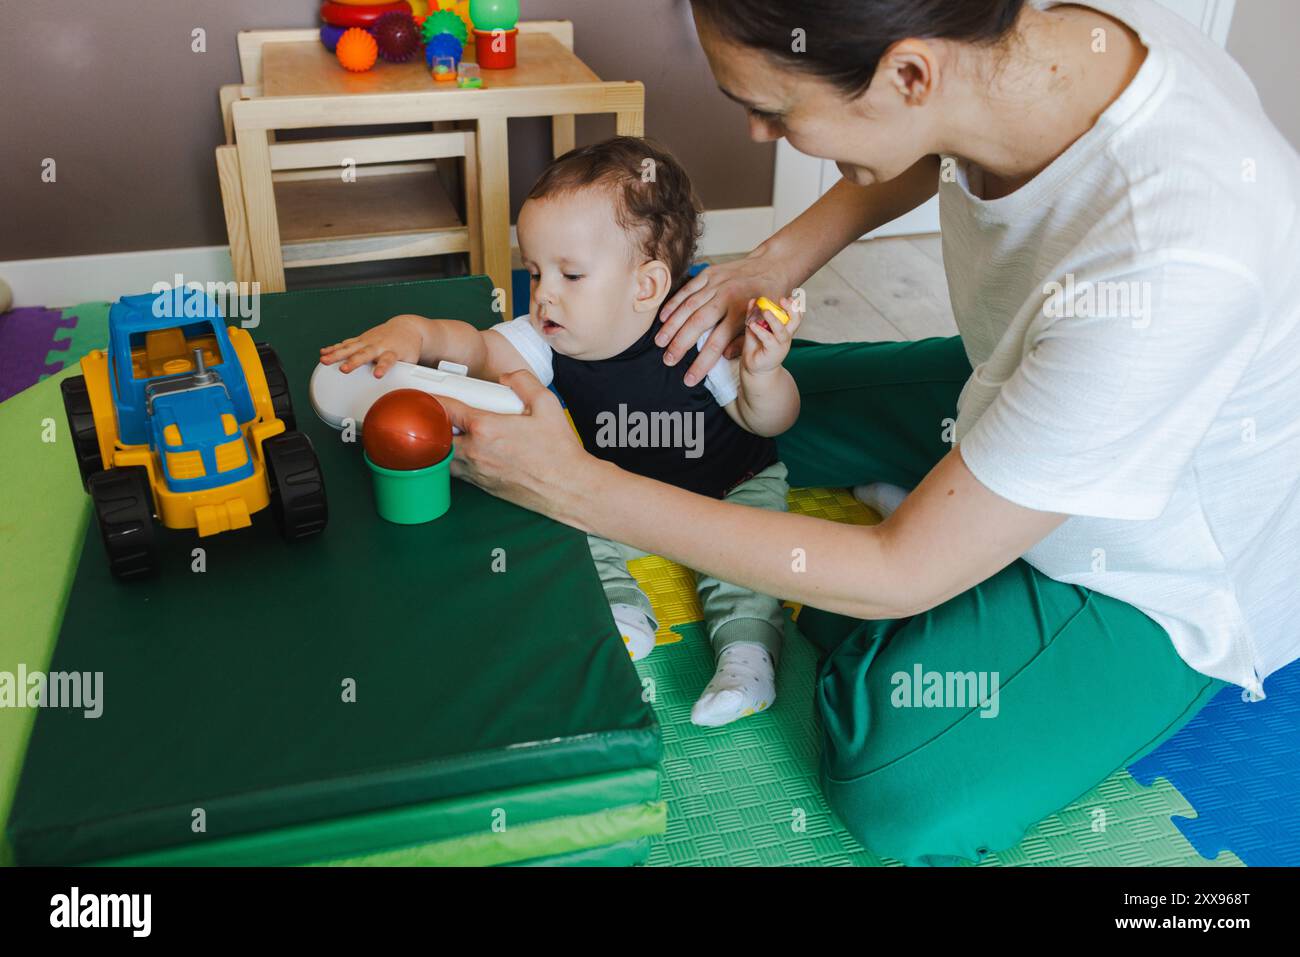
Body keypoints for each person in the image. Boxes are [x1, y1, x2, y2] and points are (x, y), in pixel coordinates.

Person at [430, 0, 1300, 864]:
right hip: (1028, 387)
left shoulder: (1171, 262)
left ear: (908, 74)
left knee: (897, 781)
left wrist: (577, 485)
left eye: (771, 107)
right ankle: (938, 511)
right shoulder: (1013, 50)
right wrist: (772, 263)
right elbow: (926, 151)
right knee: (720, 412)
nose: (759, 133)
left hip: (1163, 557)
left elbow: (899, 569)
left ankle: (942, 573)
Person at [321, 137, 806, 728]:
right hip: (614, 497)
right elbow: (474, 347)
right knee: (560, 520)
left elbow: (771, 421)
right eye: (534, 271)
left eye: (570, 274)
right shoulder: (544, 336)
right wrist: (413, 331)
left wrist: (762, 374)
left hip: (731, 485)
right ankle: (621, 614)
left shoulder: (698, 329)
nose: (544, 292)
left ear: (646, 286)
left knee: (749, 560)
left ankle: (747, 659)